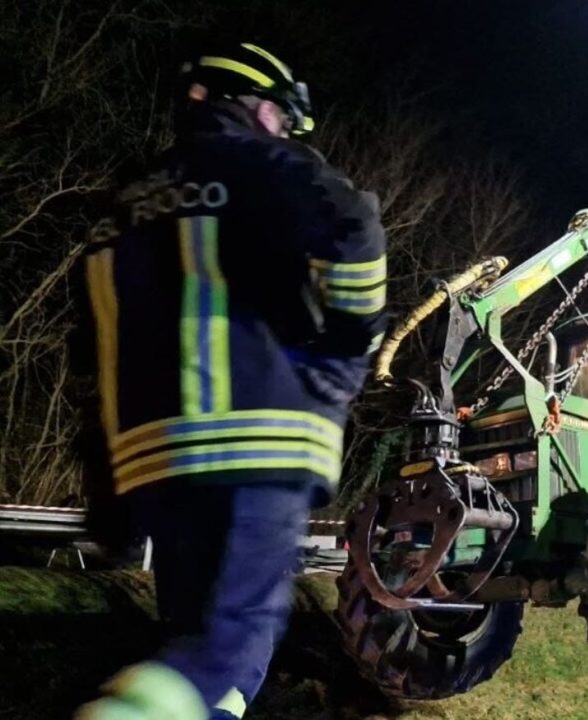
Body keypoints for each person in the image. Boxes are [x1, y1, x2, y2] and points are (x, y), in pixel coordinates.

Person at [75, 42, 386, 720]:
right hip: (258, 440)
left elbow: (92, 359)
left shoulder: (116, 208)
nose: (284, 133)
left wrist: (106, 495)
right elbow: (354, 223)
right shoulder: (264, 166)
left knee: (197, 648)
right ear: (257, 107)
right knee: (229, 639)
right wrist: (345, 353)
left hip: (152, 464)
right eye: (280, 117)